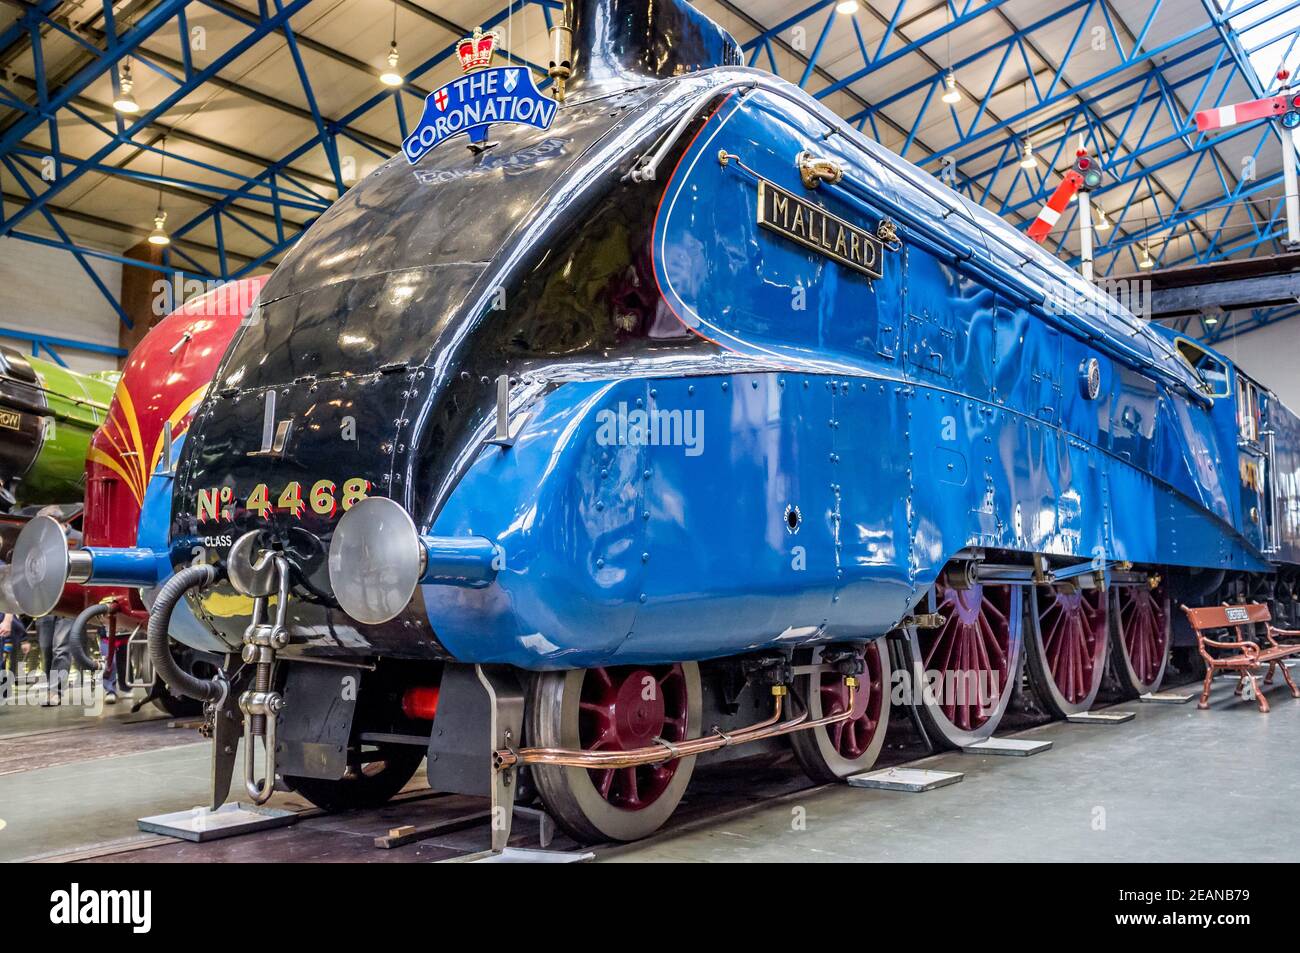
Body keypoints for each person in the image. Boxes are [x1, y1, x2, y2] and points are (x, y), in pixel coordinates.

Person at [36, 613, 72, 706]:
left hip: (66, 608)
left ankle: (54, 692)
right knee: (46, 649)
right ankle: (51, 688)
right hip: (46, 609)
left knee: (61, 649)